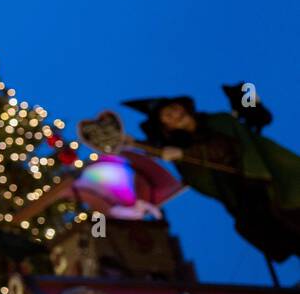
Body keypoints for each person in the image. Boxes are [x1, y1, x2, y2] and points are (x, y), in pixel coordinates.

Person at [124, 91, 300, 262]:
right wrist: (134, 143)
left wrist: (184, 153)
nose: (174, 115)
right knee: (262, 228)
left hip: (273, 182)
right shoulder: (182, 149)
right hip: (251, 199)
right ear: (165, 127)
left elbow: (225, 147)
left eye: (174, 109)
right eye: (167, 116)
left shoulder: (219, 121)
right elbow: (196, 174)